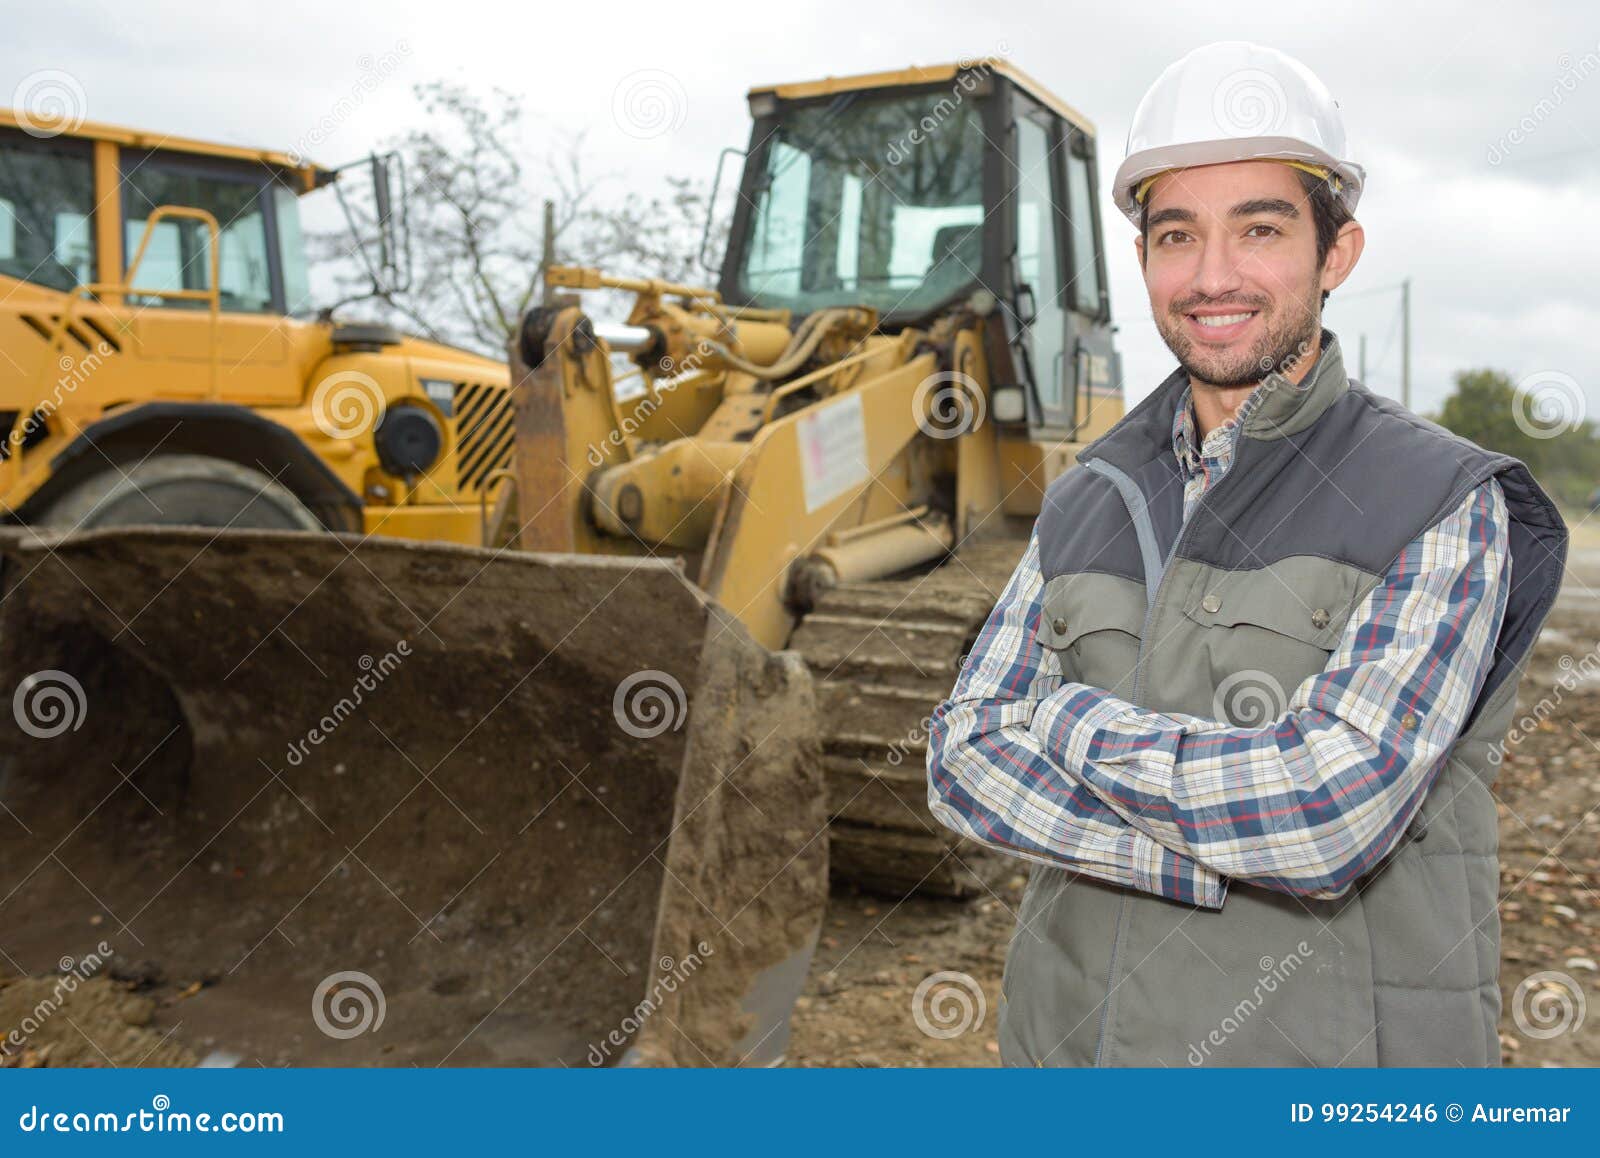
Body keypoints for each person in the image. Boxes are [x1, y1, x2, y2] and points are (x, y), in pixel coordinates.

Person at [926, 40, 1568, 1066]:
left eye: (1258, 229)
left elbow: (1325, 815)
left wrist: (1064, 719)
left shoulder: (1440, 499)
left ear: (1335, 253)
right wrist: (1200, 854)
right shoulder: (1089, 492)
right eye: (1175, 235)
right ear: (1142, 260)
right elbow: (961, 761)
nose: (1211, 275)